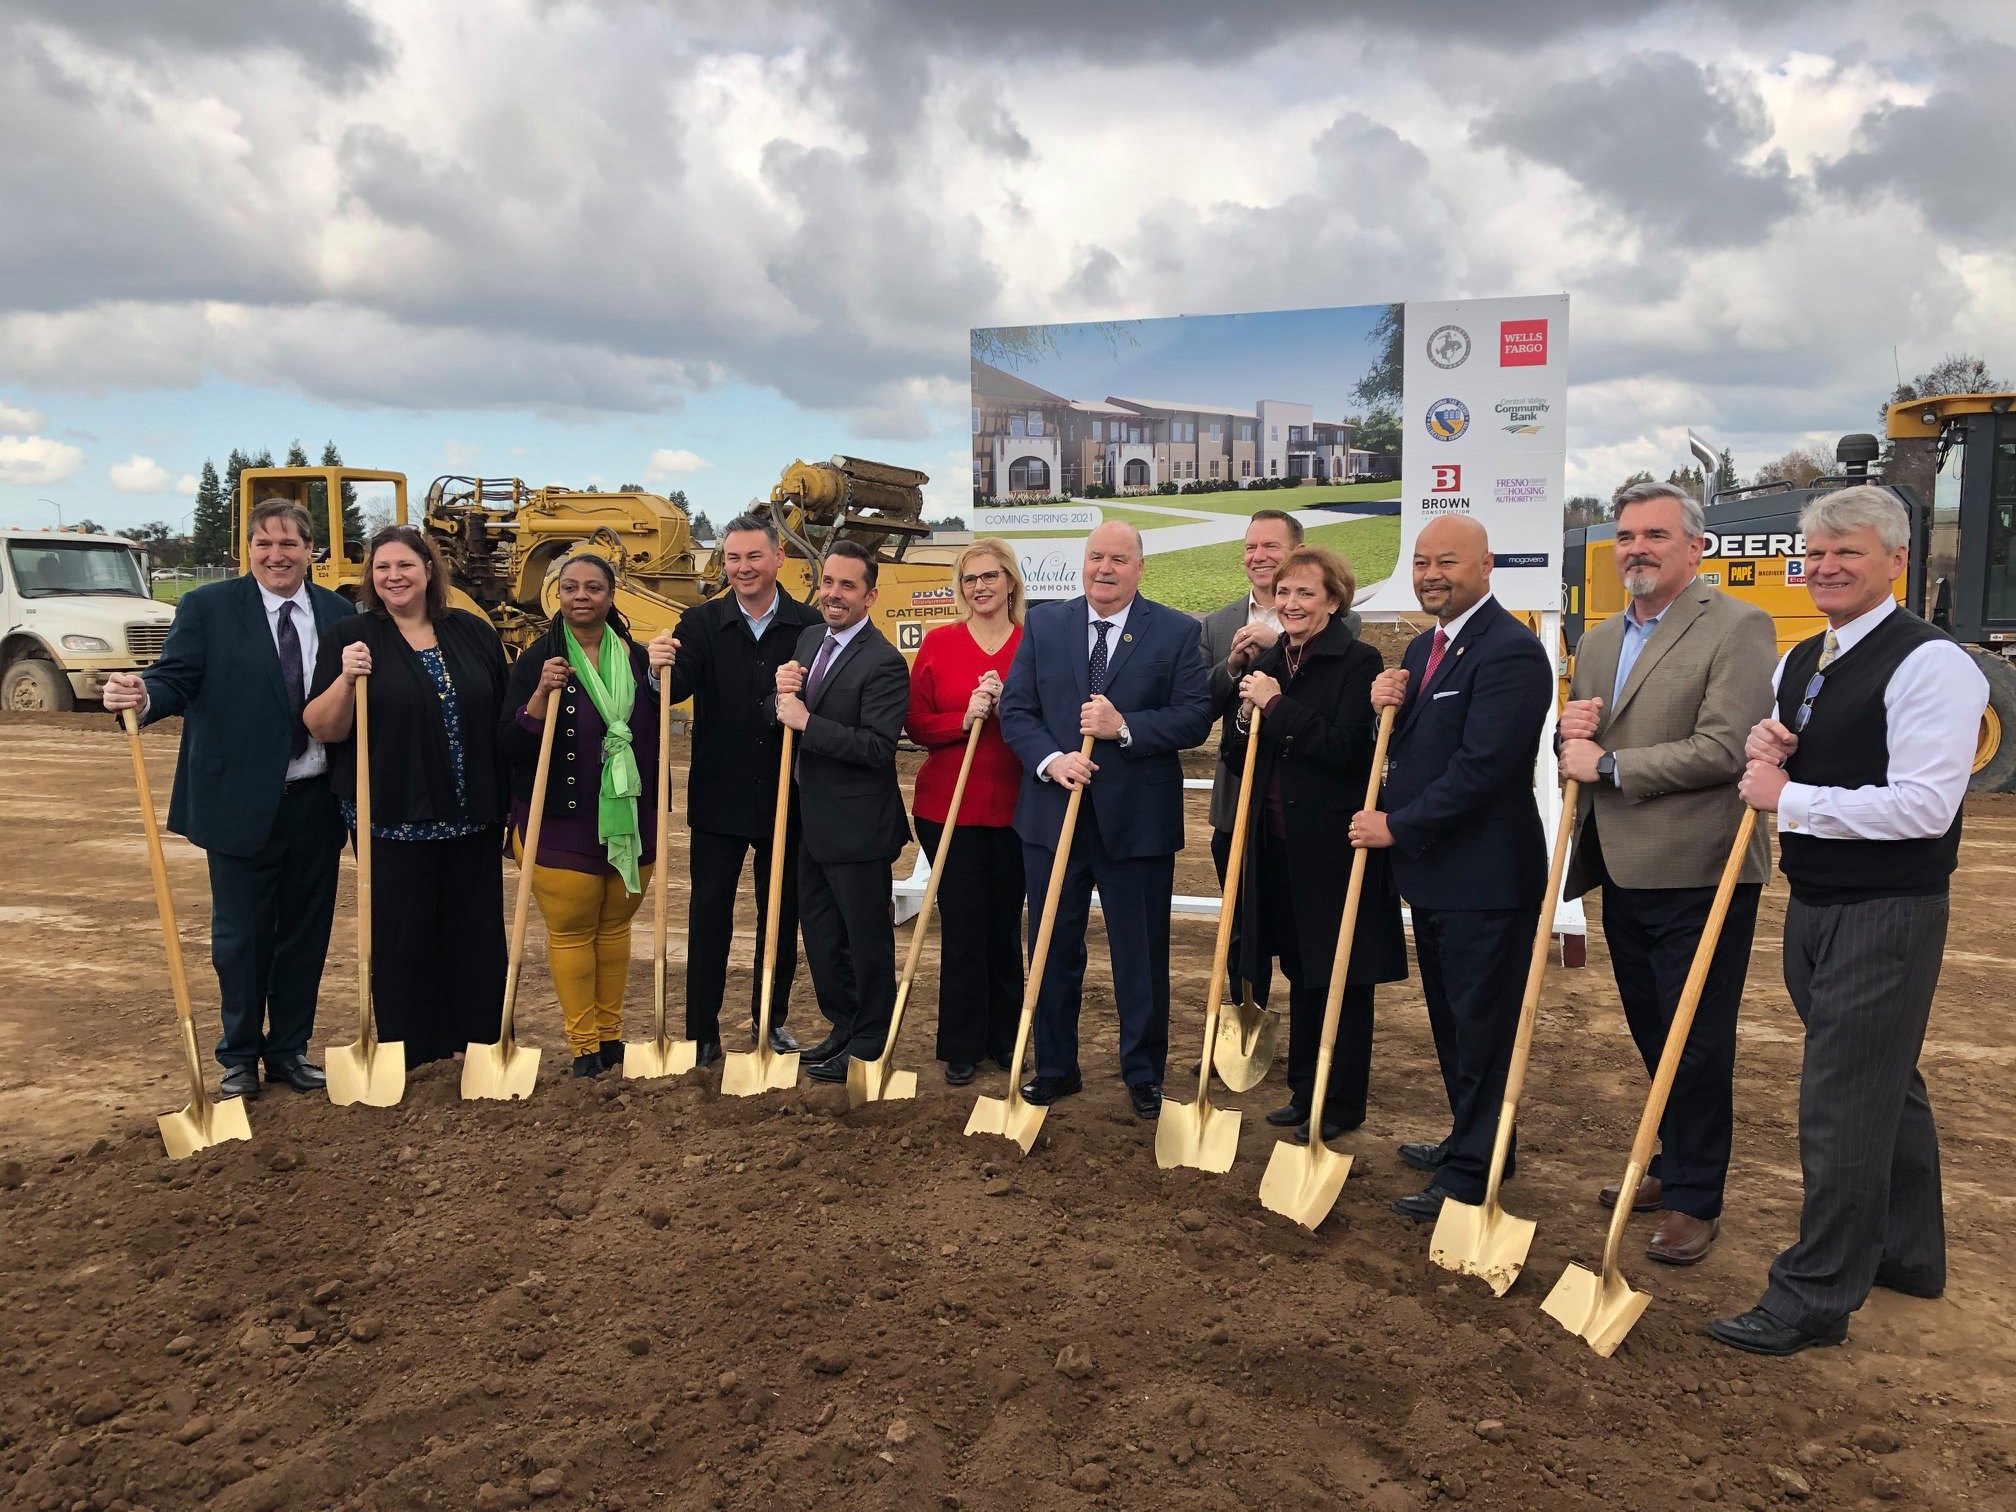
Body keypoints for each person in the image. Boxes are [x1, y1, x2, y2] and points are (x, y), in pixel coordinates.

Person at [1709, 486, 1989, 1356]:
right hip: (1819, 904)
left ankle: (1813, 1298)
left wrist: (1790, 796)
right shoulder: (1806, 657)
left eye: (1848, 553)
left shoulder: (1932, 664)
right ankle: (1907, 1252)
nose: (1825, 567)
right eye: (1815, 554)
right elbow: (1813, 745)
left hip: (1887, 913)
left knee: (1841, 1104)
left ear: (1898, 562)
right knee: (1884, 1086)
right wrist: (1778, 746)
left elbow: (1923, 807)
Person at [1557, 481, 1778, 1265]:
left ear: (1695, 545)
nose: (1636, 550)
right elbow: (1579, 747)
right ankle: (1668, 1159)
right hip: (1623, 862)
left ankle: (1695, 1197)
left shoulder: (1740, 627)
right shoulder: (1600, 641)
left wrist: (1608, 762)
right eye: (1625, 536)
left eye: (1655, 535)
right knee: (1655, 1029)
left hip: (1701, 867)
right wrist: (1566, 737)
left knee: (1698, 1036)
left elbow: (1727, 747)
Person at [104, 500, 349, 1099]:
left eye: (288, 544)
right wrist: (141, 697)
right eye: (263, 544)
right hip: (238, 803)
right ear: (248, 551)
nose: (276, 556)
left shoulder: (340, 614)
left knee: (304, 935)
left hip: (315, 803)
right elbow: (176, 678)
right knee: (241, 939)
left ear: (309, 549)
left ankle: (288, 1049)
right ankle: (238, 1057)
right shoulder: (208, 607)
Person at [1350, 514, 1552, 1221]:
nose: (1432, 574)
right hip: (1439, 877)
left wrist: (1396, 827)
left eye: (1448, 562)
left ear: (1487, 565)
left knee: (1483, 1027)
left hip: (1486, 880)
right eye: (1422, 562)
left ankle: (1473, 1172)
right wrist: (1390, 713)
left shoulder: (1511, 652)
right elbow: (1422, 748)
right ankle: (1477, 1137)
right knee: (1456, 1025)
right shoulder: (1425, 644)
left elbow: (1484, 770)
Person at [997, 521, 1214, 1120]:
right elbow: (1016, 709)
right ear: (1082, 563)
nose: (1105, 569)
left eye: (1119, 559)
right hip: (1053, 818)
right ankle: (1055, 1067)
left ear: (1139, 568)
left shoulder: (1173, 631)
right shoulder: (1045, 624)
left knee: (1139, 955)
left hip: (1136, 825)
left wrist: (1123, 727)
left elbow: (1194, 717)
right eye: (1096, 557)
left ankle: (1143, 1073)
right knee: (1051, 945)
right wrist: (1051, 759)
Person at [305, 525, 511, 1070]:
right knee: (403, 941)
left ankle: (478, 1047)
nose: (394, 576)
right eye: (382, 568)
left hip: (473, 818)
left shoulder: (472, 631)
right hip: (391, 819)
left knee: (475, 937)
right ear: (371, 577)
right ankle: (412, 1053)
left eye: (405, 566)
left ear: (428, 571)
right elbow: (323, 728)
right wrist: (346, 681)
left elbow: (498, 718)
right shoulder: (352, 637)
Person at [1225, 545, 1404, 1144]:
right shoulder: (1270, 659)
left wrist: (1275, 706)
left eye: (1306, 592)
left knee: (1340, 975)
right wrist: (1248, 717)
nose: (1292, 603)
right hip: (1275, 843)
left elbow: (1346, 749)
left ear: (1333, 600)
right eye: (1284, 592)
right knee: (1299, 968)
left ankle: (1341, 1098)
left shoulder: (1357, 662)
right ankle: (1304, 1088)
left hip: (1331, 844)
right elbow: (1234, 752)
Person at [655, 513, 822, 1066]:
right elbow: (675, 690)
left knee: (780, 912)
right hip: (719, 795)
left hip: (785, 796)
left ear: (779, 558)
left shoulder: (808, 625)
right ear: (722, 563)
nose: (743, 568)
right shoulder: (699, 623)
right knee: (709, 915)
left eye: (754, 556)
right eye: (733, 558)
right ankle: (701, 1031)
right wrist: (657, 670)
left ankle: (769, 1021)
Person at [498, 551, 660, 1078]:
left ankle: (612, 1038)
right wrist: (543, 693)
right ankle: (584, 1046)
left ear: (612, 596)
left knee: (614, 931)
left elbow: (659, 733)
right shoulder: (536, 661)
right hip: (559, 823)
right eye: (570, 587)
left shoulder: (638, 660)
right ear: (558, 596)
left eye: (593, 587)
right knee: (571, 932)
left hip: (630, 821)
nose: (581, 596)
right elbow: (509, 744)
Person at [1200, 510, 1363, 1015]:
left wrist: (1277, 653)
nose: (1259, 556)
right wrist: (1233, 670)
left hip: (1305, 807)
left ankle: (1311, 1045)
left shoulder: (1343, 625)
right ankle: (1247, 1011)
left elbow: (1331, 713)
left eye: (1271, 546)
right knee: (1242, 923)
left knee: (1300, 929)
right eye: (1251, 547)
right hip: (1241, 798)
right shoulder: (1220, 621)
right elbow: (1204, 706)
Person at [770, 540, 911, 1084]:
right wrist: (777, 698)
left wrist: (807, 722)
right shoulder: (809, 639)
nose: (833, 594)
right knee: (823, 938)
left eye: (847, 586)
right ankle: (842, 1024)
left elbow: (878, 747)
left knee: (864, 937)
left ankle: (871, 1039)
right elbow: (783, 713)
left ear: (870, 595)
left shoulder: (884, 662)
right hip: (808, 819)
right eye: (828, 582)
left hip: (858, 827)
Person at [904, 539, 1027, 1085]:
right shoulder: (939, 644)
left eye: (990, 576)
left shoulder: (1034, 644)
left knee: (1004, 924)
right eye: (970, 578)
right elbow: (915, 723)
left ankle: (1005, 1038)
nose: (980, 587)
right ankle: (960, 1043)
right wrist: (962, 718)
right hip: (946, 809)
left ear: (1010, 582)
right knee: (963, 923)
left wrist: (1011, 709)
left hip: (1018, 810)